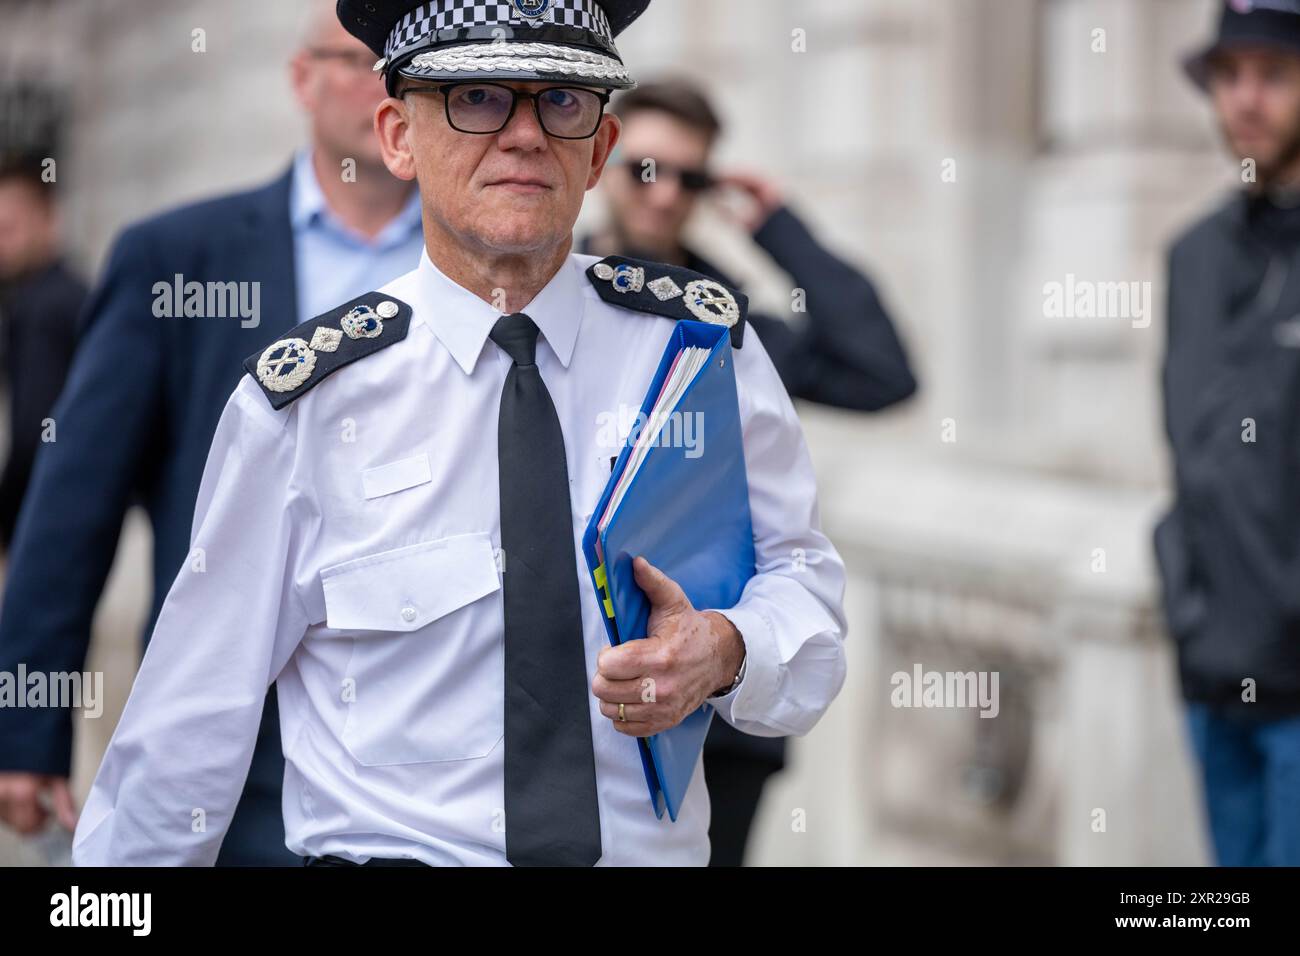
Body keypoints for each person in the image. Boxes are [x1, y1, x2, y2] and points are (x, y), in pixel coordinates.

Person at [70, 0, 848, 867]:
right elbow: (187, 728)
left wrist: (728, 650)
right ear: (397, 136)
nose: (523, 135)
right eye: (476, 96)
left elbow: (803, 584)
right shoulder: (308, 404)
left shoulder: (699, 355)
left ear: (599, 149)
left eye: (561, 100)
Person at [0, 0, 423, 865]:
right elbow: (76, 495)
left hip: (426, 718)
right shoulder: (178, 257)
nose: (377, 83)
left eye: (398, 63)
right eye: (351, 59)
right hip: (234, 714)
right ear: (301, 79)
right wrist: (26, 724)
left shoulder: (483, 263)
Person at [586, 77, 915, 866]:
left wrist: (779, 227)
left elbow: (882, 372)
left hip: (722, 702)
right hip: (585, 704)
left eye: (690, 178)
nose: (665, 197)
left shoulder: (730, 327)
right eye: (645, 169)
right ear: (603, 158)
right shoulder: (540, 298)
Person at [1158, 0, 1300, 866]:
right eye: (1230, 76)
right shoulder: (1193, 255)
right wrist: (1185, 602)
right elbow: (1187, 450)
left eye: (1276, 76)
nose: (1246, 100)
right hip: (1211, 671)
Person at [0, 159, 86, 550]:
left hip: (46, 510)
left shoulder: (42, 307)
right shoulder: (72, 293)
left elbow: (33, 428)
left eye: (9, 229)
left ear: (47, 220)